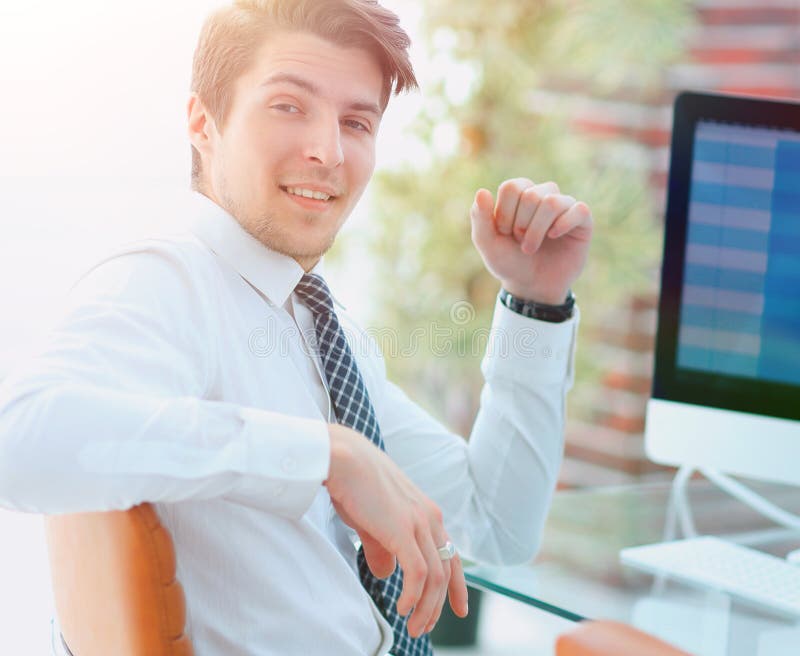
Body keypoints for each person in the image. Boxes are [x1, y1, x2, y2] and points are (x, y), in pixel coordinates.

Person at [0, 1, 593, 655]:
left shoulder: (324, 332)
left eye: (356, 121)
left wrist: (536, 301)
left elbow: (495, 524)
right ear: (203, 122)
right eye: (289, 106)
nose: (329, 151)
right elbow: (19, 441)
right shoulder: (169, 281)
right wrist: (322, 456)